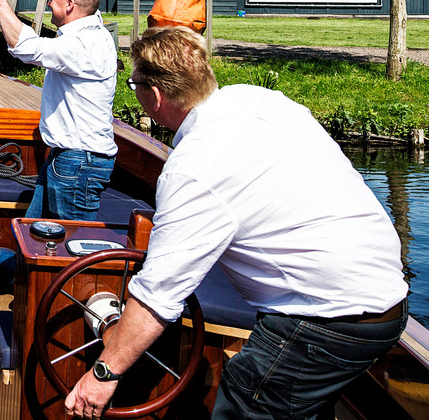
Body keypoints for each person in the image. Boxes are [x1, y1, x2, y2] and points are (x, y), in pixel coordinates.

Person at [65, 25, 408, 420]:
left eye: (134, 84)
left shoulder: (193, 168)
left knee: (245, 406)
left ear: (154, 95)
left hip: (322, 321)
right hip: (388, 305)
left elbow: (158, 296)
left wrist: (103, 373)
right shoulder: (259, 100)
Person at [0, 0, 117, 219]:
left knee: (71, 247)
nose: (49, 3)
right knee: (32, 232)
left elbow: (26, 46)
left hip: (77, 163)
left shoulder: (80, 45)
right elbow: (88, 5)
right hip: (70, 158)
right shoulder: (96, 29)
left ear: (70, 5)